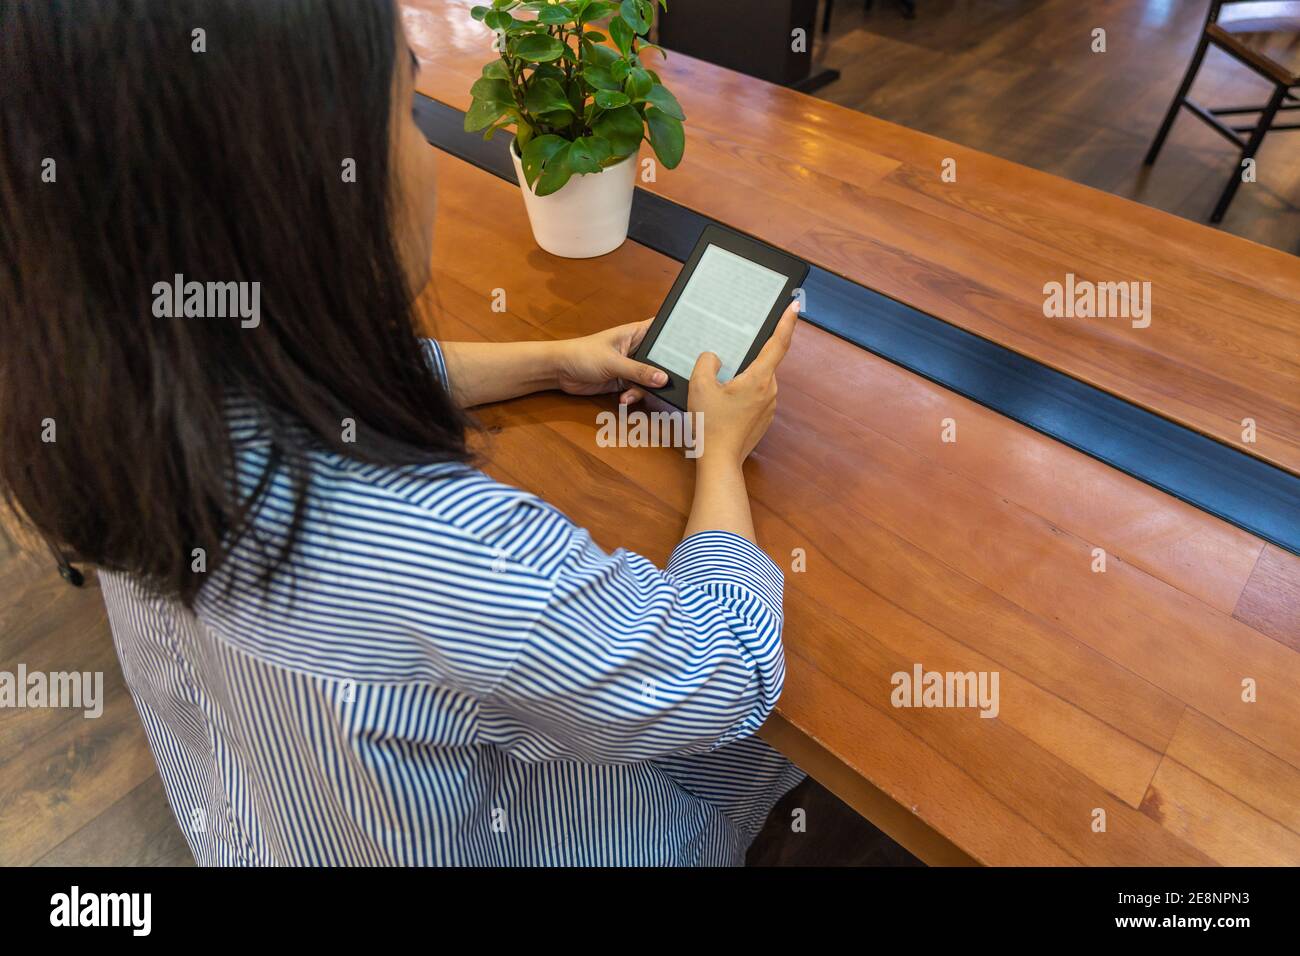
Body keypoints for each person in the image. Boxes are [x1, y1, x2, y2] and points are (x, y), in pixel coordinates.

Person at [0, 0, 802, 865]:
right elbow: (724, 672)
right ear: (305, 189)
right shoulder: (446, 548)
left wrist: (548, 361)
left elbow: (296, 380)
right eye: (406, 107)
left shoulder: (109, 405)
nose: (421, 152)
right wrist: (721, 453)